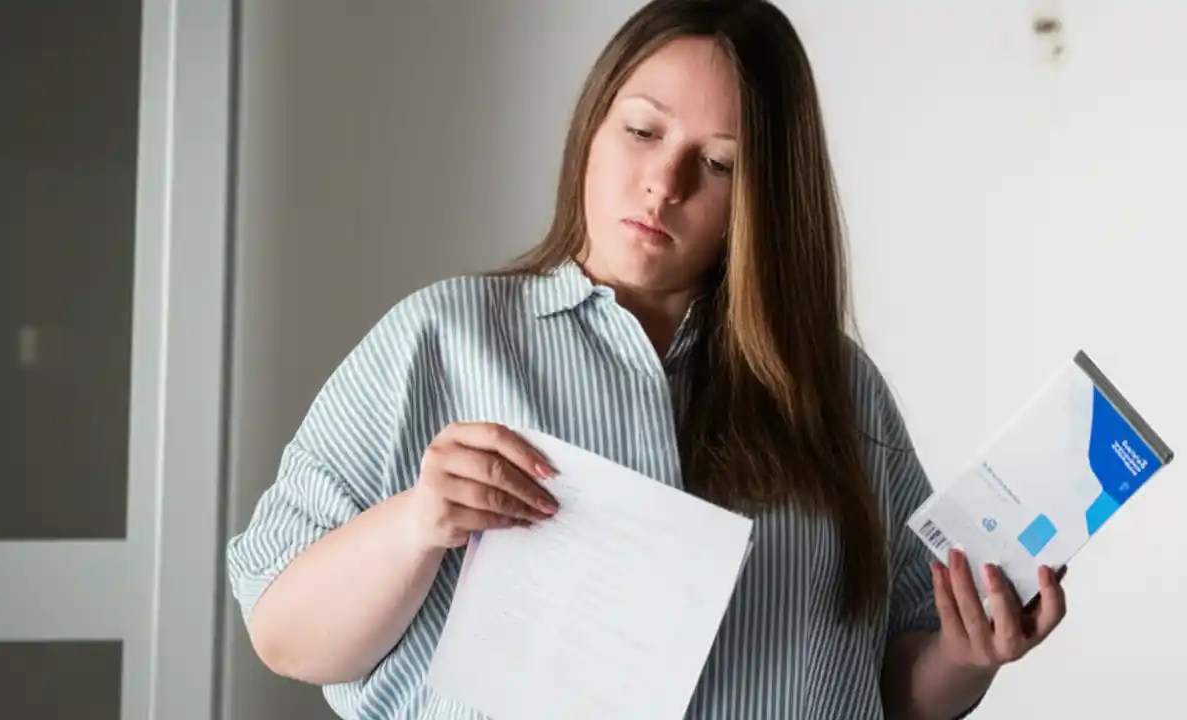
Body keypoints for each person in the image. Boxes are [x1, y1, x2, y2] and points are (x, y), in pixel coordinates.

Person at [226, 1, 1068, 717]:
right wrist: (417, 522)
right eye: (641, 130)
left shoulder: (837, 390)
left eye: (717, 164)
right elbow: (284, 634)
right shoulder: (441, 338)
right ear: (594, 124)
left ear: (767, 198)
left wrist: (970, 655)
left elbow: (891, 684)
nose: (662, 184)